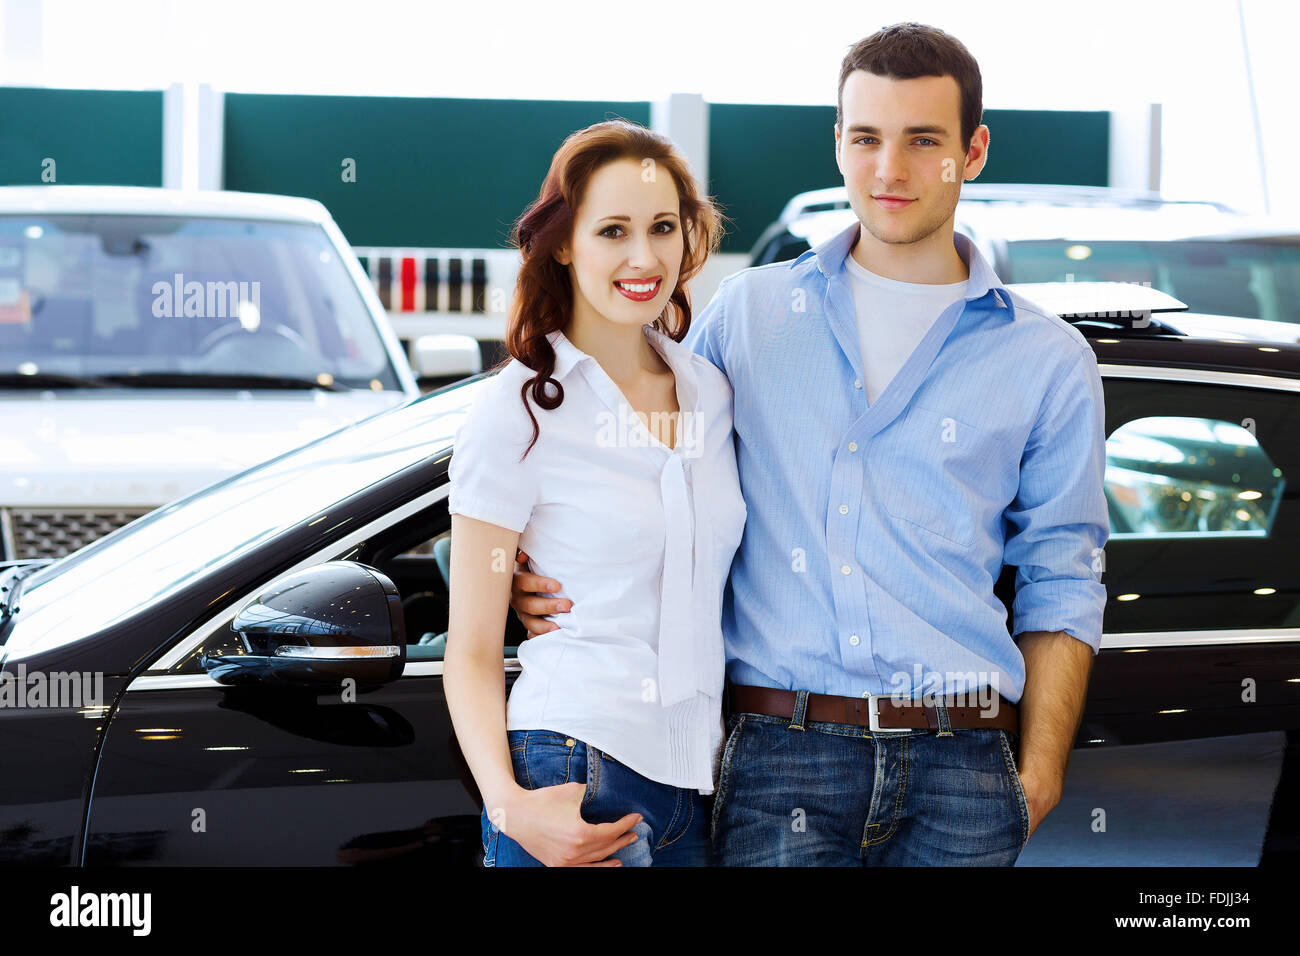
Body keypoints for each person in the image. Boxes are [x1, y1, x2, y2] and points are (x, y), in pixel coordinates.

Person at [511, 23, 1109, 866]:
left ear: (972, 152)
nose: (889, 170)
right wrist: (515, 575)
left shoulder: (1046, 360)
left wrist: (1038, 773)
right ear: (837, 144)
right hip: (779, 756)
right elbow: (624, 469)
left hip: (965, 764)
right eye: (865, 138)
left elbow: (1063, 577)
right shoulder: (748, 318)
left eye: (922, 141)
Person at [443, 119, 741, 867]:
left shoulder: (713, 391)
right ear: (566, 243)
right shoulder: (517, 413)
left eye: (663, 227)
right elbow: (471, 652)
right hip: (576, 772)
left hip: (703, 785)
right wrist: (509, 808)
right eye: (613, 230)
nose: (645, 258)